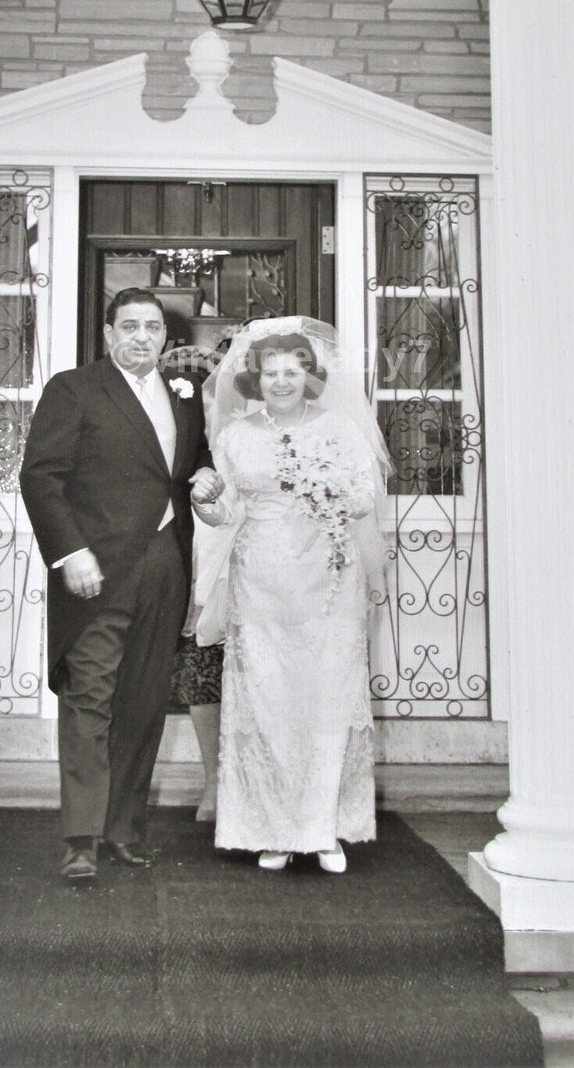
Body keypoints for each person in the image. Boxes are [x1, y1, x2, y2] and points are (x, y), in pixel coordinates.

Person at [19, 288, 222, 883]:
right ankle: (80, 838)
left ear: (166, 337)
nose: (141, 337)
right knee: (91, 700)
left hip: (164, 569)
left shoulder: (184, 398)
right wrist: (68, 553)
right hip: (95, 573)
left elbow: (191, 461)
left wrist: (205, 472)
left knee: (142, 702)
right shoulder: (74, 389)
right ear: (108, 334)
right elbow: (41, 478)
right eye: (129, 326)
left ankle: (123, 830)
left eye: (152, 328)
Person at [191, 317, 390, 874]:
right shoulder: (234, 435)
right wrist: (204, 501)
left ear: (309, 375)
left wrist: (330, 494)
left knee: (327, 695)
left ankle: (323, 829)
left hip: (327, 578)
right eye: (270, 371)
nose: (281, 381)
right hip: (261, 578)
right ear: (255, 378)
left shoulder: (340, 431)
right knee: (268, 697)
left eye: (292, 371)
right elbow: (222, 511)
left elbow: (363, 497)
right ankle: (272, 828)